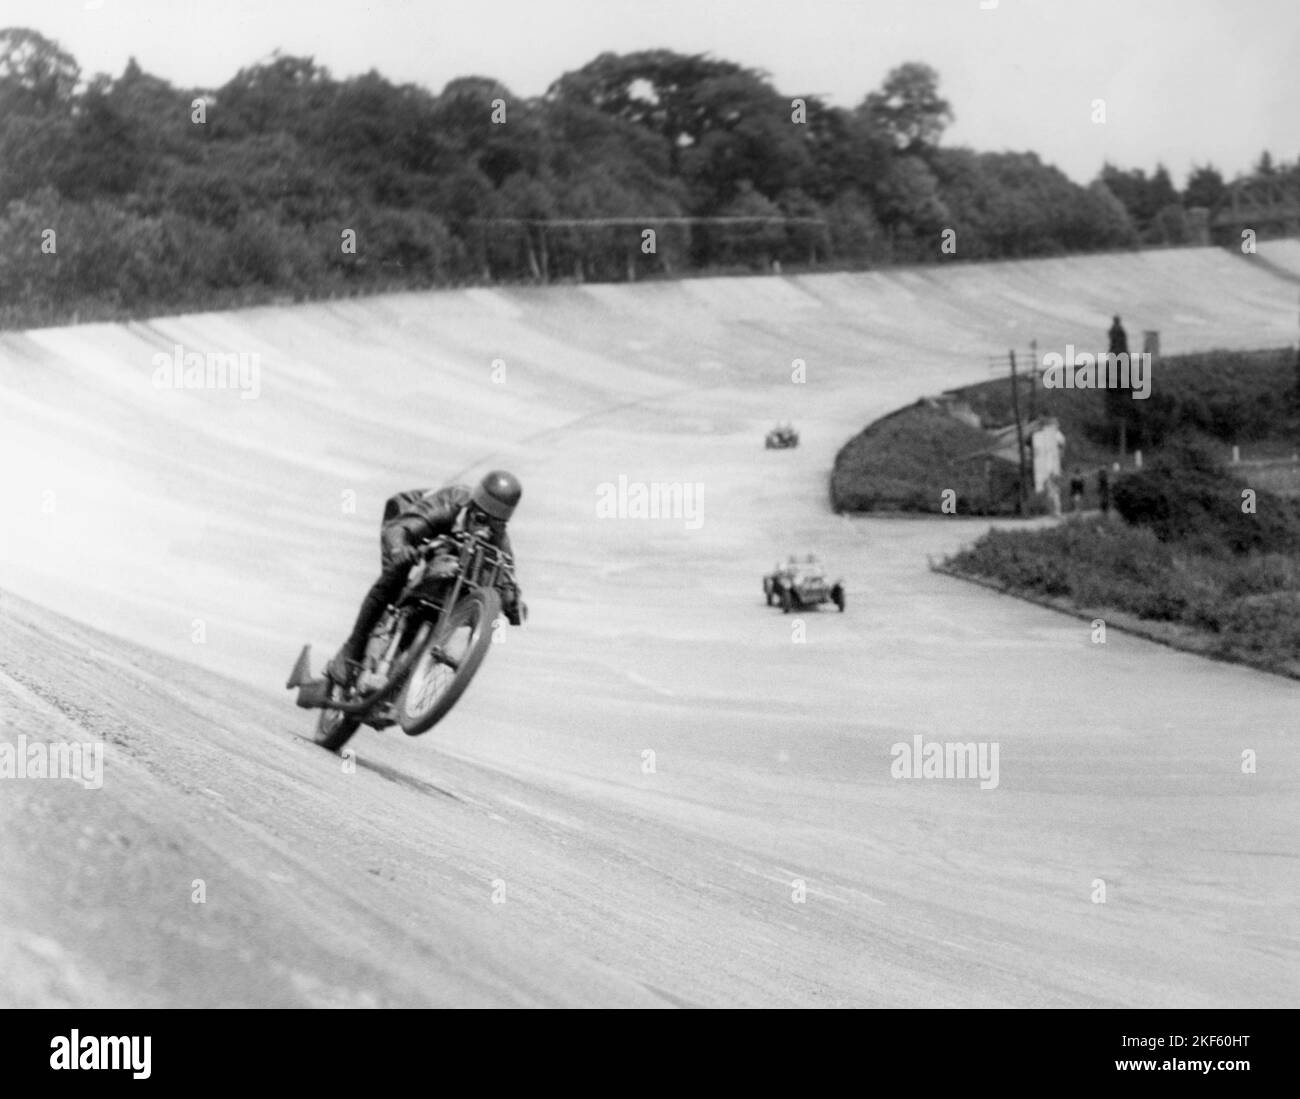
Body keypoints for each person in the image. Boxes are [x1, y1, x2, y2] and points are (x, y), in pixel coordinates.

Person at [325, 471, 526, 689]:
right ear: (472, 507)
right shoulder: (449, 504)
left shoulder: (498, 538)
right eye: (481, 520)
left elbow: (507, 578)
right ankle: (351, 651)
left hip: (450, 551)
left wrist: (513, 602)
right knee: (397, 574)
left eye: (497, 524)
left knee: (464, 581)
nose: (486, 530)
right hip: (409, 519)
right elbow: (397, 530)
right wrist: (400, 549)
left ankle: (408, 661)